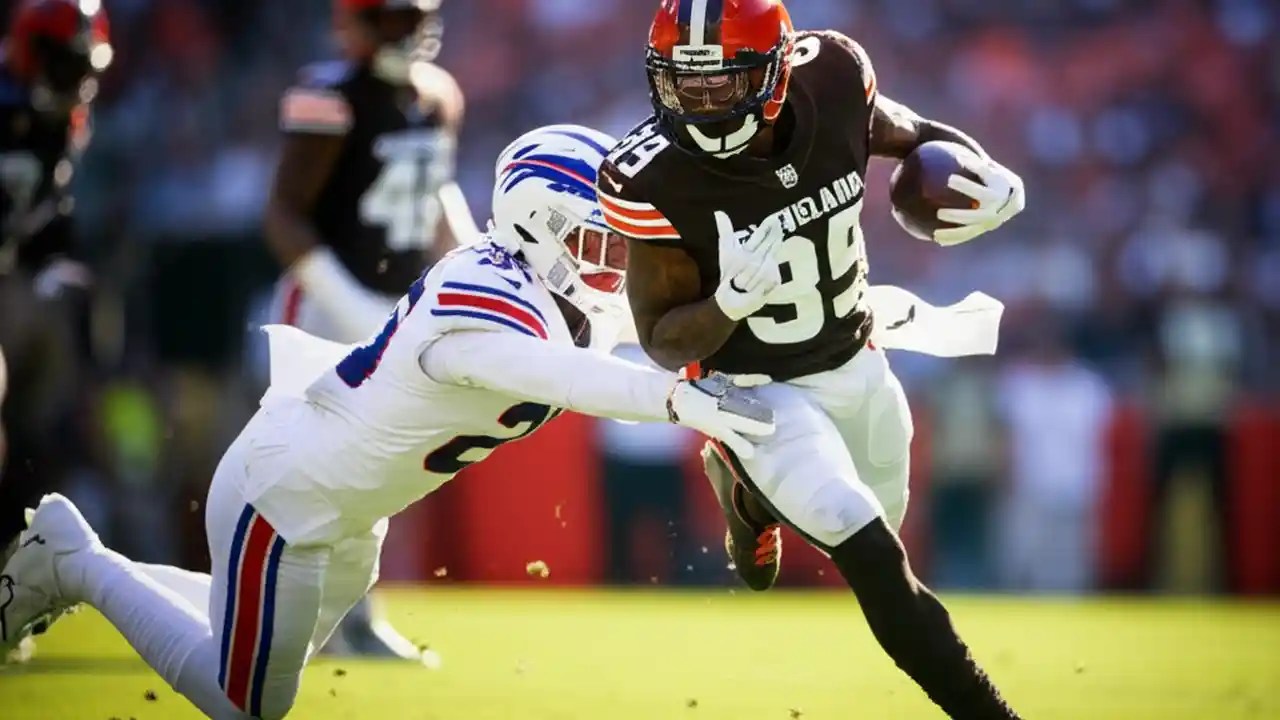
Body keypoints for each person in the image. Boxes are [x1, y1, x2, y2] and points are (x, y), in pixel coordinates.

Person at [0, 124, 774, 720]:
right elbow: (560, 377)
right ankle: (74, 560)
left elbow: (655, 333)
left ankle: (64, 563)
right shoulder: (484, 299)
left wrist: (766, 324)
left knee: (239, 626)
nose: (619, 258)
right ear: (544, 227)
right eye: (602, 238)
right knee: (246, 702)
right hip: (289, 493)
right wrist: (678, 401)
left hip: (351, 517)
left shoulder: (563, 296)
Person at [597, 1, 1026, 717]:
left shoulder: (831, 77)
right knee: (871, 554)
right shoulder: (653, 176)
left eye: (722, 83)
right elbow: (662, 339)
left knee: (888, 522)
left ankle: (749, 492)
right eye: (683, 84)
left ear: (774, 72)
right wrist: (728, 303)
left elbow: (914, 137)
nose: (700, 104)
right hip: (754, 389)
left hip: (856, 360)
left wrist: (984, 173)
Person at [262, 0, 476, 656]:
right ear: (352, 22)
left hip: (396, 303)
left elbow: (431, 189)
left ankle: (353, 616)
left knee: (377, 468)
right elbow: (282, 216)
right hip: (327, 302)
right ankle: (277, 616)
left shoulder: (440, 94)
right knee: (303, 465)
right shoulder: (327, 97)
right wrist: (354, 305)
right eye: (387, 17)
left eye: (410, 17)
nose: (403, 32)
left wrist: (470, 263)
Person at [0, 0, 110, 568]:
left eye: (85, 68)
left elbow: (49, 215)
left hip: (13, 274)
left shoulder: (61, 122)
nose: (78, 83)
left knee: (39, 423)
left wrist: (51, 264)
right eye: (68, 66)